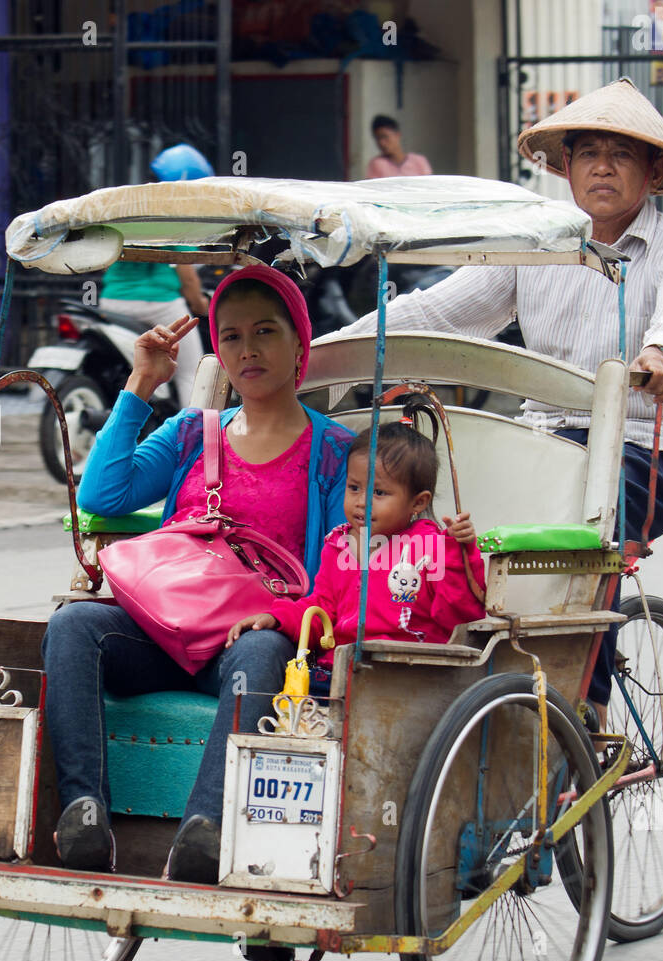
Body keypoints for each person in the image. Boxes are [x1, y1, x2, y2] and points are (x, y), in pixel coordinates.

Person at [328, 77, 663, 715]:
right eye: (589, 153)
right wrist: (322, 354)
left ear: (652, 171)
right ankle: (437, 682)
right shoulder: (534, 246)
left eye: (622, 154)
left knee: (577, 538)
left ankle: (577, 715)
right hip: (544, 445)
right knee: (439, 525)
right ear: (566, 167)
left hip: (644, 452)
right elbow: (438, 312)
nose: (603, 168)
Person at [42, 265, 355, 882]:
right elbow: (103, 494)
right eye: (232, 337)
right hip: (166, 632)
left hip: (254, 644)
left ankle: (205, 828)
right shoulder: (192, 430)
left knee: (264, 647)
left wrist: (283, 618)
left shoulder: (334, 452)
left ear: (300, 346)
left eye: (266, 332)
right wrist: (142, 382)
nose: (248, 350)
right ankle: (83, 811)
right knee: (74, 624)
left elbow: (338, 578)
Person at [228, 399, 485, 665]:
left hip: (409, 672)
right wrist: (279, 618)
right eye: (354, 488)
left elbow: (460, 616)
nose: (362, 501)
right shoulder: (339, 544)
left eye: (379, 492)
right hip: (341, 670)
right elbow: (322, 608)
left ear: (418, 502)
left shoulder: (431, 547)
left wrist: (458, 551)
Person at [98, 144, 212, 405]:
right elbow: (187, 274)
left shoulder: (127, 205)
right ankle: (196, 431)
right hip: (157, 304)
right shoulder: (173, 213)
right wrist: (200, 305)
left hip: (111, 302)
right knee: (193, 370)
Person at [365, 114, 432, 178]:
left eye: (385, 137)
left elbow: (429, 186)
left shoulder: (419, 161)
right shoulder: (377, 164)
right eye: (378, 138)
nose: (381, 143)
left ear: (397, 135)